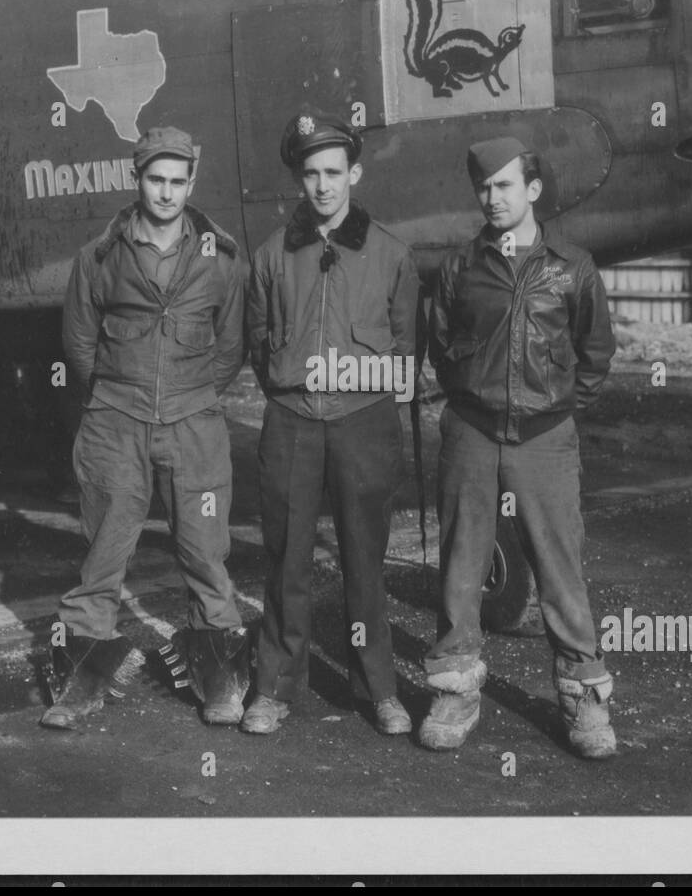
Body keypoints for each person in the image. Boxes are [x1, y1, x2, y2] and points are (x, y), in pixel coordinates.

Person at [45, 125, 249, 730]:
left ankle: (217, 675)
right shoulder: (100, 257)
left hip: (194, 422)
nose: (165, 193)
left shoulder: (220, 259)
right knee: (104, 551)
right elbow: (79, 345)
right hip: (116, 421)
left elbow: (230, 348)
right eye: (155, 180)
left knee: (206, 552)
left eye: (176, 182)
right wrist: (115, 400)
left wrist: (189, 399)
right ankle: (80, 679)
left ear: (192, 183)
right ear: (138, 181)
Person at [420, 135, 617, 757]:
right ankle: (455, 686)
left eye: (505, 185)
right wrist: (476, 402)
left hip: (545, 439)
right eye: (484, 187)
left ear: (532, 190)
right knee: (461, 566)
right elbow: (442, 345)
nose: (492, 197)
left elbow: (595, 353)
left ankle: (584, 698)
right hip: (472, 434)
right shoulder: (460, 265)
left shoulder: (572, 266)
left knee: (561, 571)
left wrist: (553, 411)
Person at [242, 112, 419, 736]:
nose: (323, 185)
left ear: (356, 174)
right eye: (311, 173)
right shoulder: (268, 258)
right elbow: (261, 346)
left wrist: (350, 387)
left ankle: (378, 689)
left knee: (364, 560)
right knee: (286, 558)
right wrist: (297, 389)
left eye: (334, 172)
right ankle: (273, 688)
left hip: (363, 423)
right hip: (291, 422)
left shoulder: (392, 255)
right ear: (298, 178)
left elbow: (404, 356)